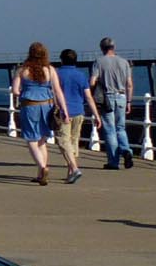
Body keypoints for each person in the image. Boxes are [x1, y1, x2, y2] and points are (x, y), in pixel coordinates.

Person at [12, 42, 68, 186]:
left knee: (31, 139)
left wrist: (25, 92)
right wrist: (65, 111)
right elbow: (58, 91)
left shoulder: (22, 70)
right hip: (47, 106)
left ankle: (43, 168)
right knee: (42, 140)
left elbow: (15, 90)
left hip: (29, 106)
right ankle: (40, 173)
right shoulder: (50, 69)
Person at [54, 48, 103, 184]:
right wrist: (96, 115)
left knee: (63, 141)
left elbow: (53, 94)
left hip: (63, 113)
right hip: (79, 111)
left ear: (62, 60)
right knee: (73, 140)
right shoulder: (81, 75)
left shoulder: (57, 74)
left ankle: (74, 169)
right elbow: (88, 96)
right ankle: (70, 172)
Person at [91, 37, 135, 169]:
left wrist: (93, 97)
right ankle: (126, 150)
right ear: (113, 47)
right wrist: (129, 101)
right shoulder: (124, 62)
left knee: (110, 130)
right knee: (120, 128)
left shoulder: (99, 61)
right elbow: (129, 84)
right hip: (121, 96)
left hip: (107, 98)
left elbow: (92, 81)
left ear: (102, 48)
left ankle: (113, 162)